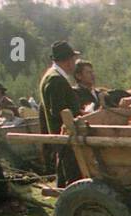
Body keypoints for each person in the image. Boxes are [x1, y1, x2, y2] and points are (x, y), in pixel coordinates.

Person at [39, 40, 82, 186]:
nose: (75, 63)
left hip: (61, 134)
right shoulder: (56, 80)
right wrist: (79, 114)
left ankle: (62, 196)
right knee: (72, 172)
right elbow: (58, 111)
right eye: (73, 59)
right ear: (69, 61)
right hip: (65, 134)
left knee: (64, 170)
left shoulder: (52, 76)